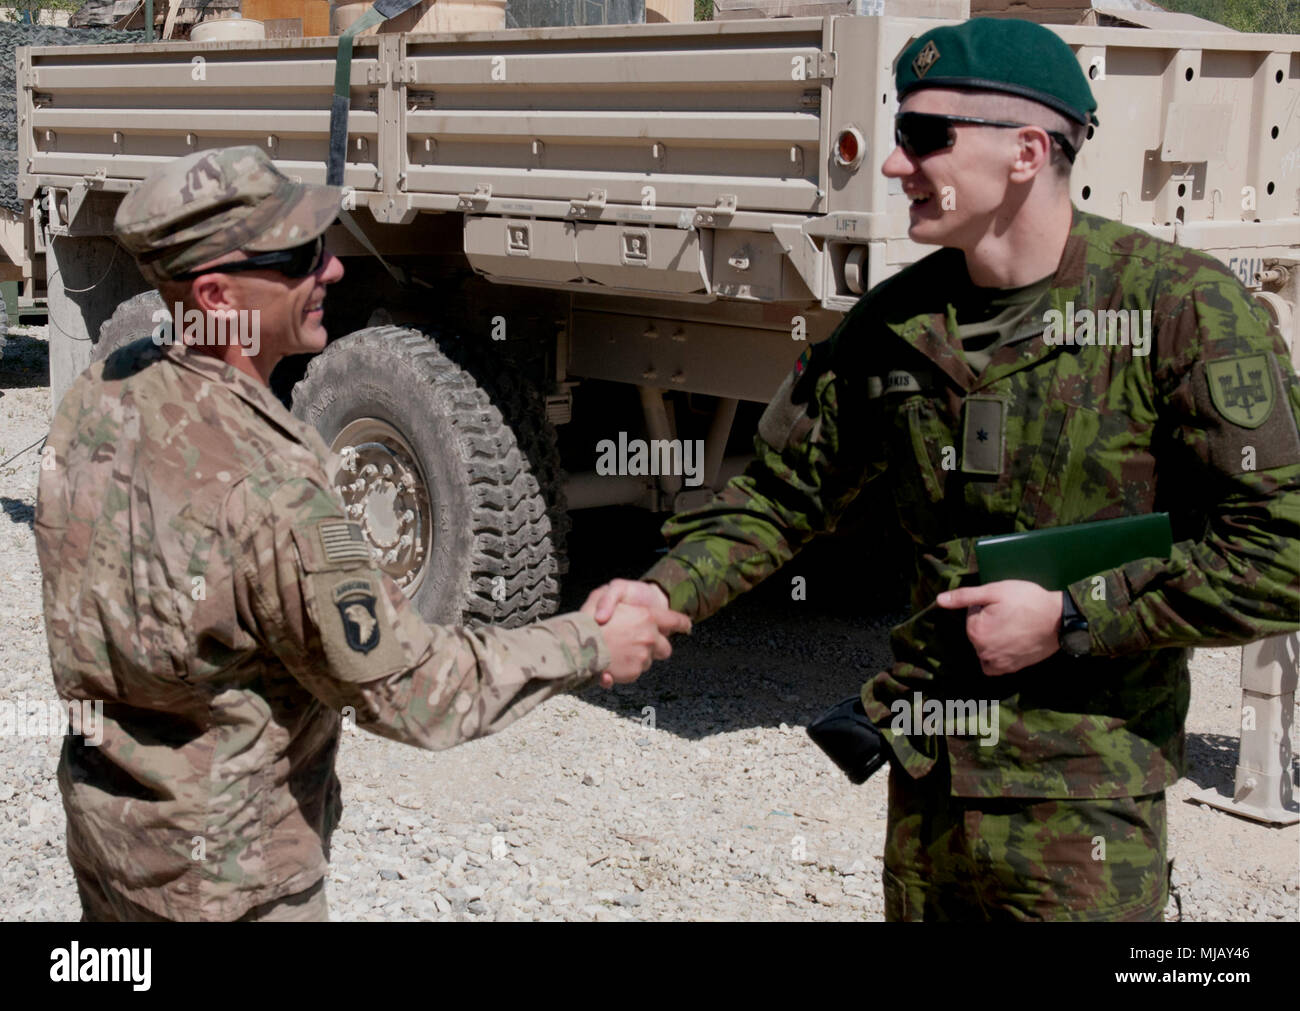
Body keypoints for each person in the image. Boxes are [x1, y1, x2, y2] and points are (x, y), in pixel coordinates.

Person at [583, 17, 1300, 921]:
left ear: (1028, 151)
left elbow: (1283, 551)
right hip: (928, 776)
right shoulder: (897, 319)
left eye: (926, 138)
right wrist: (664, 589)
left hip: (1084, 805)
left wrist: (1073, 616)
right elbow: (782, 493)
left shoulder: (1180, 311)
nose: (893, 164)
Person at [34, 146, 690, 922]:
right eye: (302, 255)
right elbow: (414, 690)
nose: (334, 269)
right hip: (231, 891)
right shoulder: (273, 486)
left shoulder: (100, 394)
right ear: (215, 294)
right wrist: (590, 642)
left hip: (113, 851)